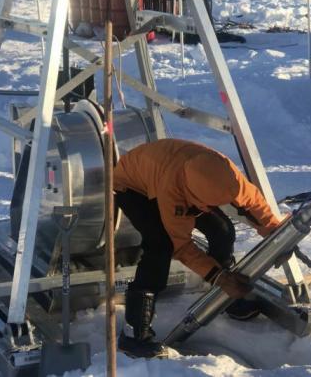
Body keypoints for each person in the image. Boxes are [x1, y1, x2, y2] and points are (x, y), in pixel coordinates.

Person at [113, 138, 280, 358]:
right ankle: (134, 334)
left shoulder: (227, 175)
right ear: (194, 199)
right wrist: (219, 276)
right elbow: (181, 246)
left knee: (223, 231)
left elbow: (254, 202)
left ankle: (223, 299)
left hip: (166, 171)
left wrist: (274, 232)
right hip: (132, 186)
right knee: (160, 245)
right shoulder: (173, 191)